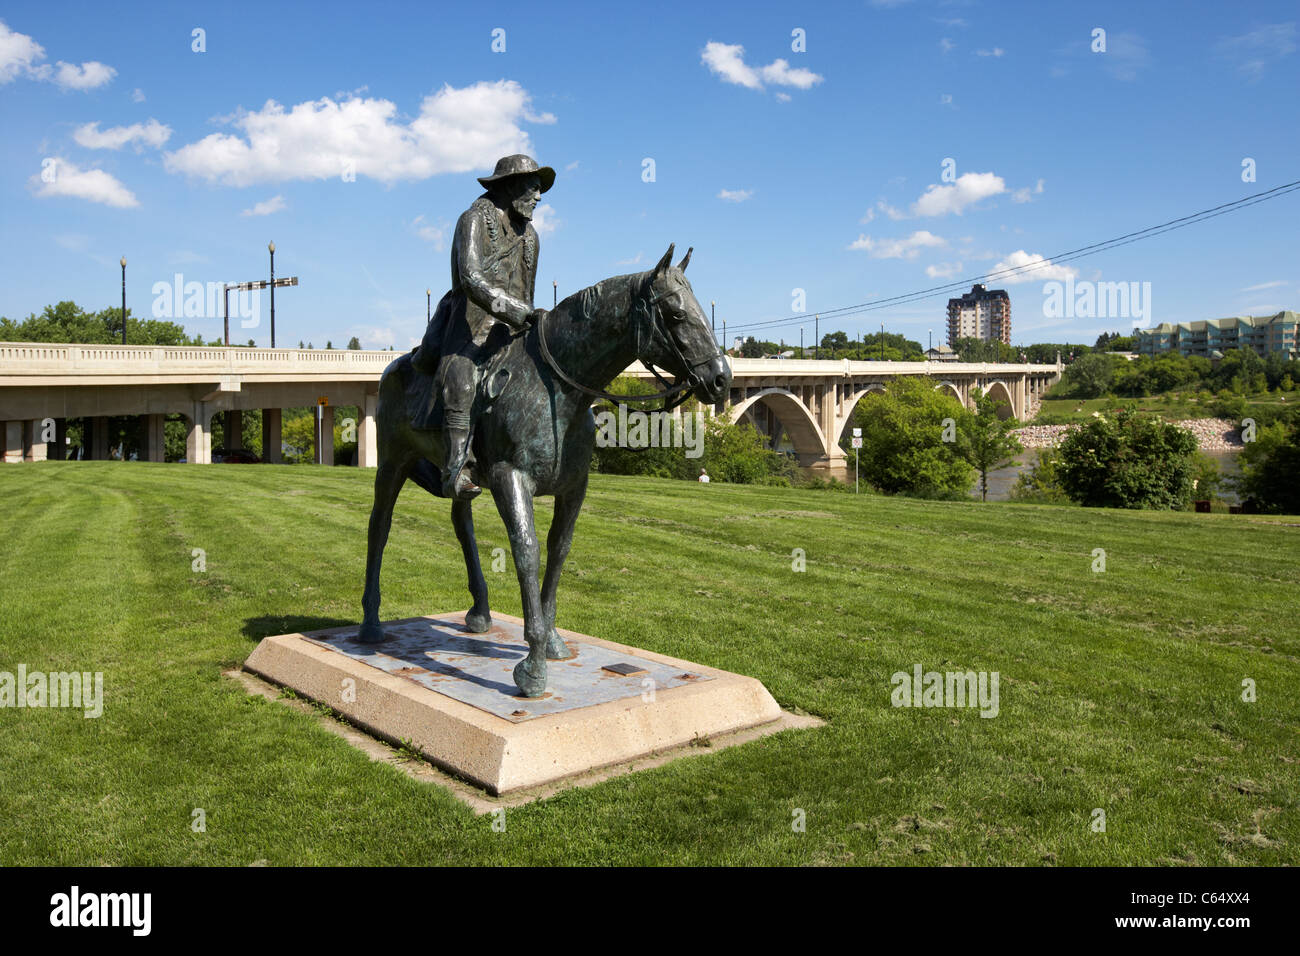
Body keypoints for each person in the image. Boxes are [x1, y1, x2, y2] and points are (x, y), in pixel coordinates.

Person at [412, 154, 555, 499]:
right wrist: (516, 311)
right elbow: (471, 279)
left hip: (513, 331)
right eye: (533, 188)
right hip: (469, 328)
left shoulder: (531, 236)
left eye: (540, 190)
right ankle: (455, 471)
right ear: (510, 185)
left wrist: (529, 320)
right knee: (460, 381)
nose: (538, 196)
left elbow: (528, 293)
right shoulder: (472, 220)